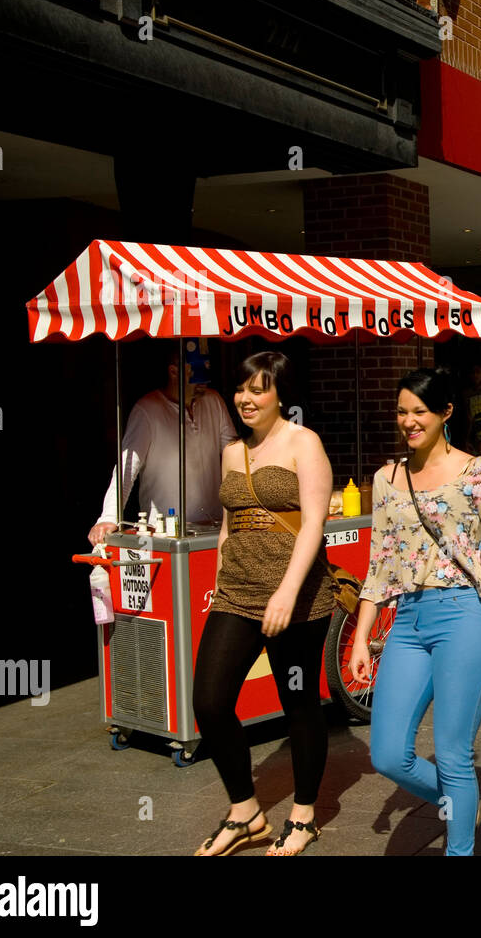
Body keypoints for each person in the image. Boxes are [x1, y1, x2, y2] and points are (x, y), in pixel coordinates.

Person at [349, 368, 481, 856]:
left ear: (445, 414)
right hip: (409, 620)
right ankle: (460, 798)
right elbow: (379, 565)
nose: (408, 422)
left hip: (467, 617)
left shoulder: (480, 473)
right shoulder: (387, 480)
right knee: (388, 753)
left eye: (419, 412)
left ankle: (460, 846)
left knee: (454, 754)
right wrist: (360, 637)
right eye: (401, 412)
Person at [193, 351, 337, 856]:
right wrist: (217, 585)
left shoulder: (305, 443)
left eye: (259, 390)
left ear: (281, 395)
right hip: (236, 592)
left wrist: (286, 592)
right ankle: (245, 810)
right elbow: (230, 526)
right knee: (209, 703)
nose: (246, 399)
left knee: (297, 703)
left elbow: (314, 525)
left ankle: (303, 813)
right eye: (241, 390)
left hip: (296, 597)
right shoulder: (233, 452)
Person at [88, 345, 237, 544]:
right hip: (164, 532)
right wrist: (109, 517)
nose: (204, 379)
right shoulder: (147, 410)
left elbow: (234, 454)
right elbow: (127, 466)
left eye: (207, 368)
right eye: (196, 370)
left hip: (213, 528)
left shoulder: (214, 401)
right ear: (174, 371)